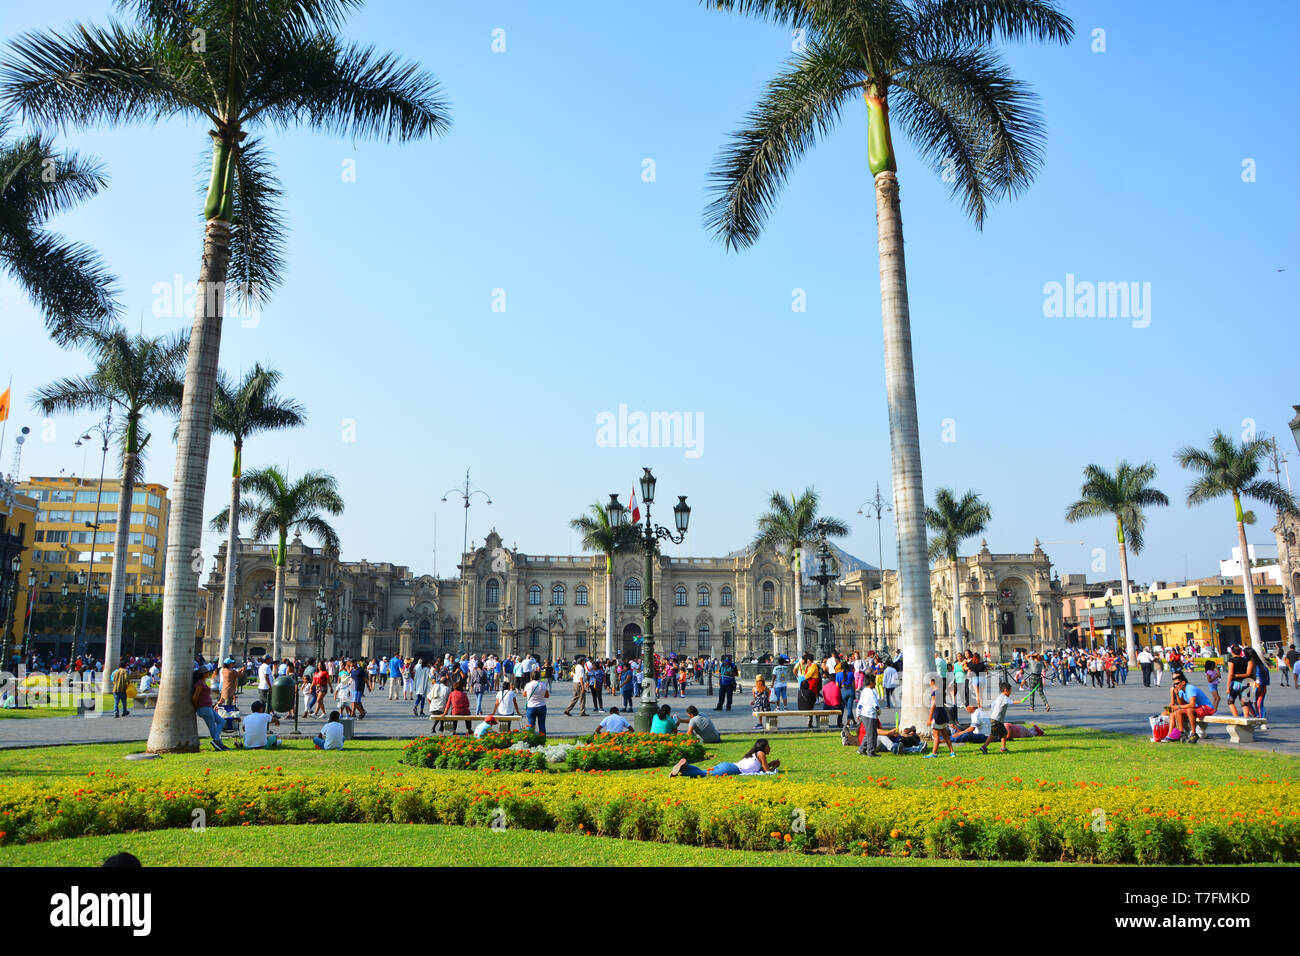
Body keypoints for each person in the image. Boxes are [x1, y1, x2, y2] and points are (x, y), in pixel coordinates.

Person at [670, 739, 780, 778]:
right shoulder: (761, 753)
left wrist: (771, 764)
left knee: (705, 771)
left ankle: (686, 766)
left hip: (728, 765)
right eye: (768, 746)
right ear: (763, 747)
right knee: (704, 774)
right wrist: (773, 767)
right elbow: (766, 771)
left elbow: (758, 767)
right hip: (733, 769)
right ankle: (680, 773)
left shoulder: (756, 753)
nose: (769, 748)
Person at [1168, 672, 1215, 742]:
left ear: (1183, 682)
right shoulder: (1181, 691)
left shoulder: (1190, 688)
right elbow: (1182, 704)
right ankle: (1182, 733)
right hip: (1198, 708)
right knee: (1178, 712)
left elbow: (1192, 704)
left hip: (1207, 707)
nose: (1175, 686)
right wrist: (1177, 694)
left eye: (1177, 684)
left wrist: (1178, 707)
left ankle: (1193, 733)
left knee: (1189, 710)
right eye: (1174, 684)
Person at [193, 666, 227, 751]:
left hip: (208, 707)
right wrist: (196, 708)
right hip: (204, 708)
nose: (209, 673)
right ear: (203, 673)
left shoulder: (203, 682)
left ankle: (217, 742)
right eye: (208, 672)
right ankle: (219, 744)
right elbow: (195, 697)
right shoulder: (199, 684)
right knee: (212, 728)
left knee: (221, 721)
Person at [923, 676, 956, 758]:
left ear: (933, 682)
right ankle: (952, 752)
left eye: (930, 681)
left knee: (936, 735)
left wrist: (929, 718)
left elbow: (933, 705)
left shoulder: (934, 692)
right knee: (945, 735)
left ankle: (934, 753)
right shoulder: (941, 691)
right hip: (943, 714)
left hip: (937, 715)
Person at [980, 683, 1014, 754]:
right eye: (1010, 690)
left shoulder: (1000, 696)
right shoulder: (1004, 698)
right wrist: (1020, 701)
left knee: (1004, 733)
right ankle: (984, 746)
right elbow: (1011, 702)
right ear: (1005, 690)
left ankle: (1003, 748)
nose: (1011, 692)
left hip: (997, 720)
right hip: (996, 720)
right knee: (993, 734)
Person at [855, 673, 881, 757]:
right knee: (872, 734)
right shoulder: (871, 692)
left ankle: (862, 749)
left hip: (864, 714)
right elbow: (875, 704)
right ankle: (871, 752)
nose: (875, 684)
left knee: (869, 733)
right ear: (870, 682)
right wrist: (879, 711)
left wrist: (858, 713)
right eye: (874, 682)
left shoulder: (864, 691)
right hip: (870, 715)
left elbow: (860, 703)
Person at [523, 669, 549, 735]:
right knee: (542, 725)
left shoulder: (528, 685)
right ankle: (542, 740)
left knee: (531, 725)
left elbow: (524, 694)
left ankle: (531, 740)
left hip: (531, 706)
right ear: (539, 677)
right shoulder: (543, 685)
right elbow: (547, 695)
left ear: (531, 677)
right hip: (541, 706)